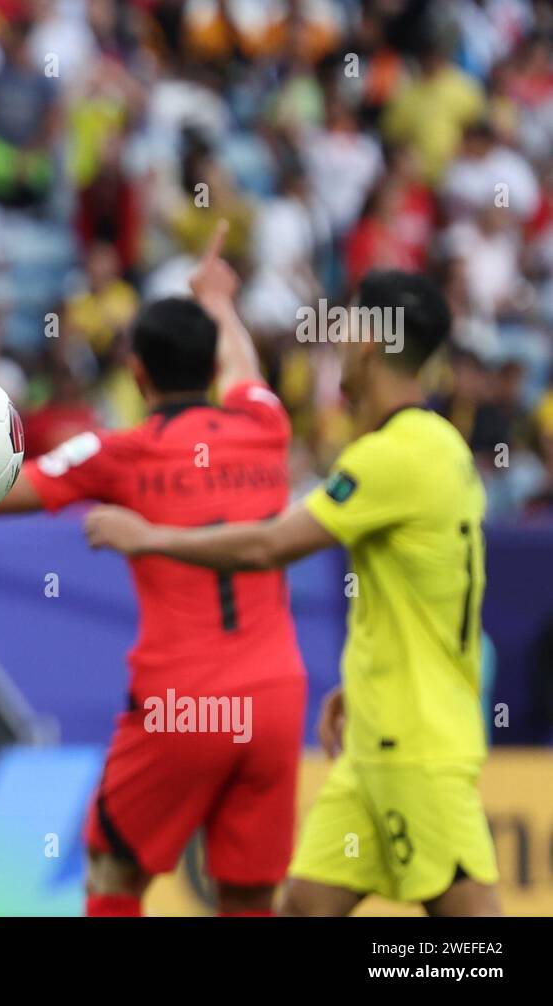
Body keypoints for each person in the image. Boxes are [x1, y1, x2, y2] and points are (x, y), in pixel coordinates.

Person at [85, 270, 501, 917]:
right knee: (304, 908)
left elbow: (267, 546)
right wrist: (363, 684)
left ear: (367, 342)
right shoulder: (440, 447)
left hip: (416, 747)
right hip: (376, 738)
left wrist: (148, 537)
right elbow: (424, 592)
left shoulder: (390, 458)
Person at [0, 222, 307, 917]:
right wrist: (218, 297)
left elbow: (4, 490)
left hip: (182, 701)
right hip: (277, 698)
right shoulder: (265, 423)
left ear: (136, 374)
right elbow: (245, 369)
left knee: (113, 874)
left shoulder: (119, 451)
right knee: (250, 892)